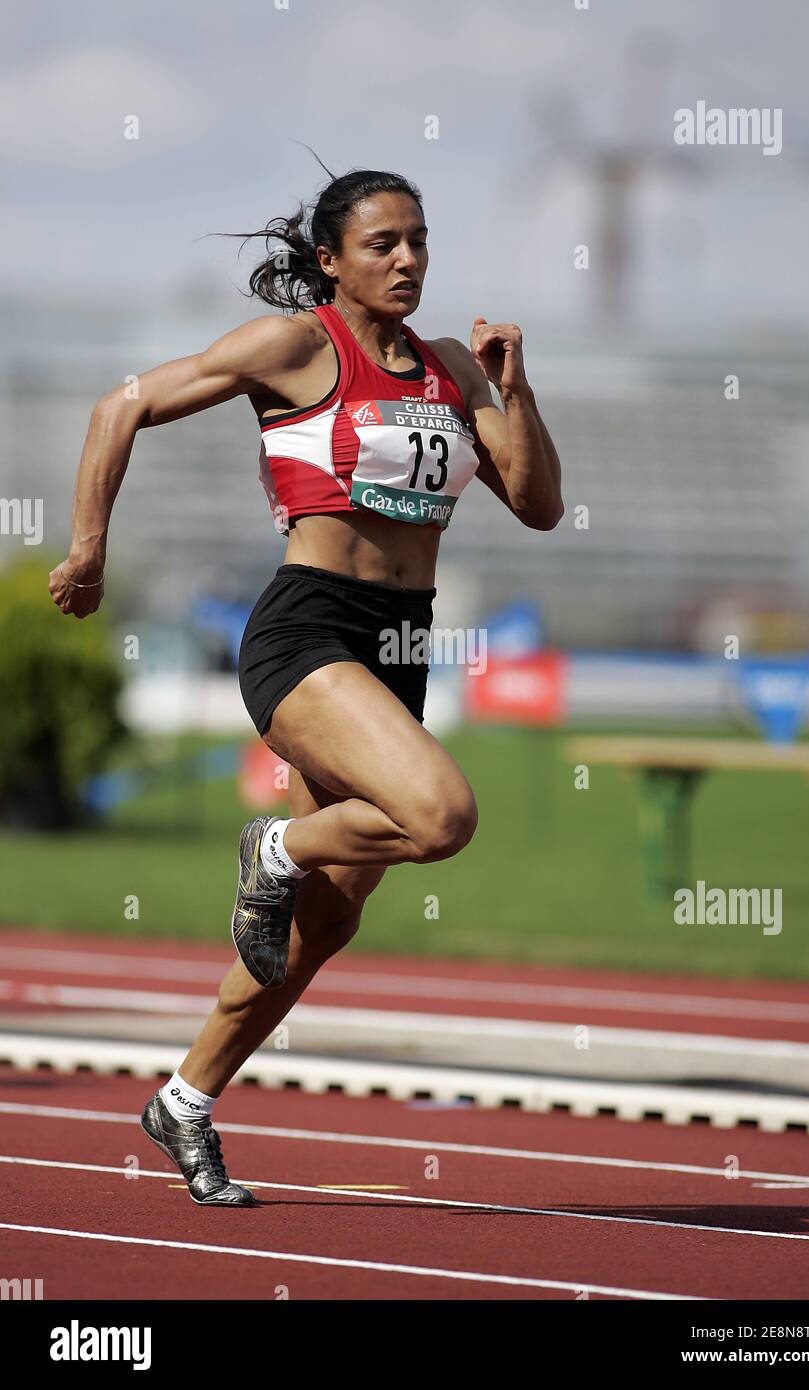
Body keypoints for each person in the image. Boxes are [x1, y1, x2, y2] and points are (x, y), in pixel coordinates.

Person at [49, 166, 563, 1205]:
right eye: (382, 244)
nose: (408, 259)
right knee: (441, 815)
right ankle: (273, 848)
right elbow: (122, 405)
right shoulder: (294, 348)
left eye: (418, 239)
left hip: (401, 647)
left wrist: (512, 389)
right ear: (330, 261)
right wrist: (89, 549)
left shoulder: (452, 368)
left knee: (321, 927)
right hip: (307, 633)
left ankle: (184, 1102)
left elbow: (540, 505)